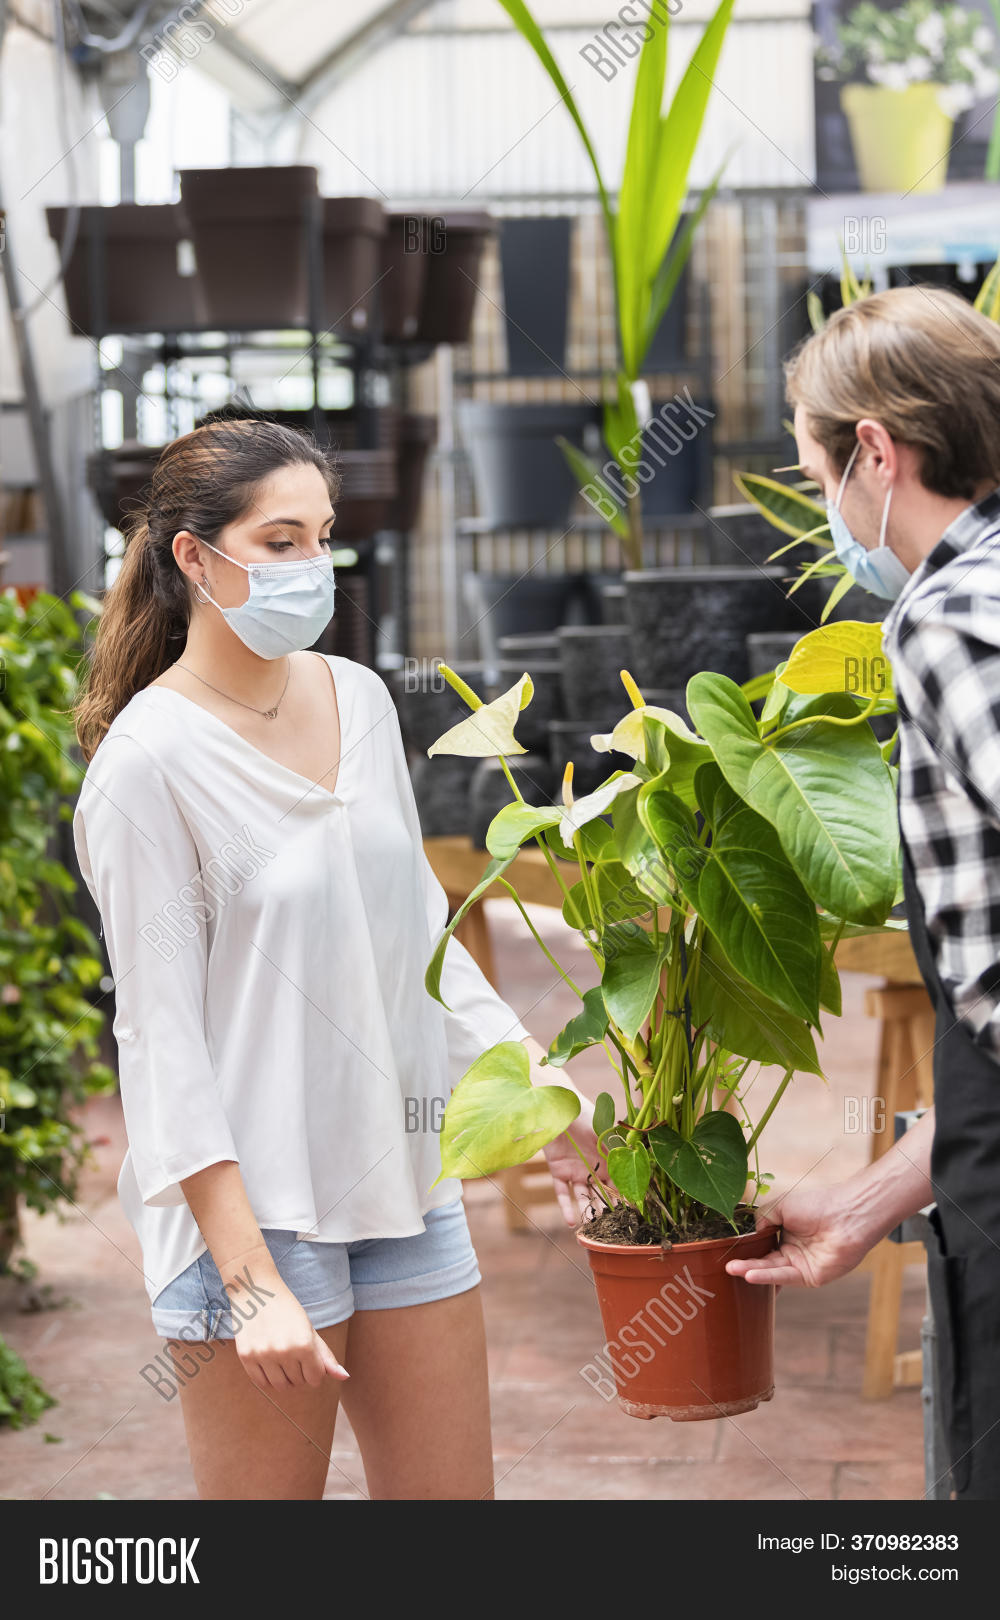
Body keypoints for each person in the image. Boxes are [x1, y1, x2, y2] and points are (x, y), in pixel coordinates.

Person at [72, 416, 600, 1501]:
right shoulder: (147, 763)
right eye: (279, 542)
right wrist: (249, 1276)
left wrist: (537, 1085)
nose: (312, 566)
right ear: (193, 557)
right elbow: (157, 1037)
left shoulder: (356, 700)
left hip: (399, 1184)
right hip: (251, 1215)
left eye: (321, 537)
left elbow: (422, 938)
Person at [725, 285, 1000, 1501]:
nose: (830, 510)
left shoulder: (950, 619)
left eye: (817, 473)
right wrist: (874, 1196)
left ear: (875, 455)